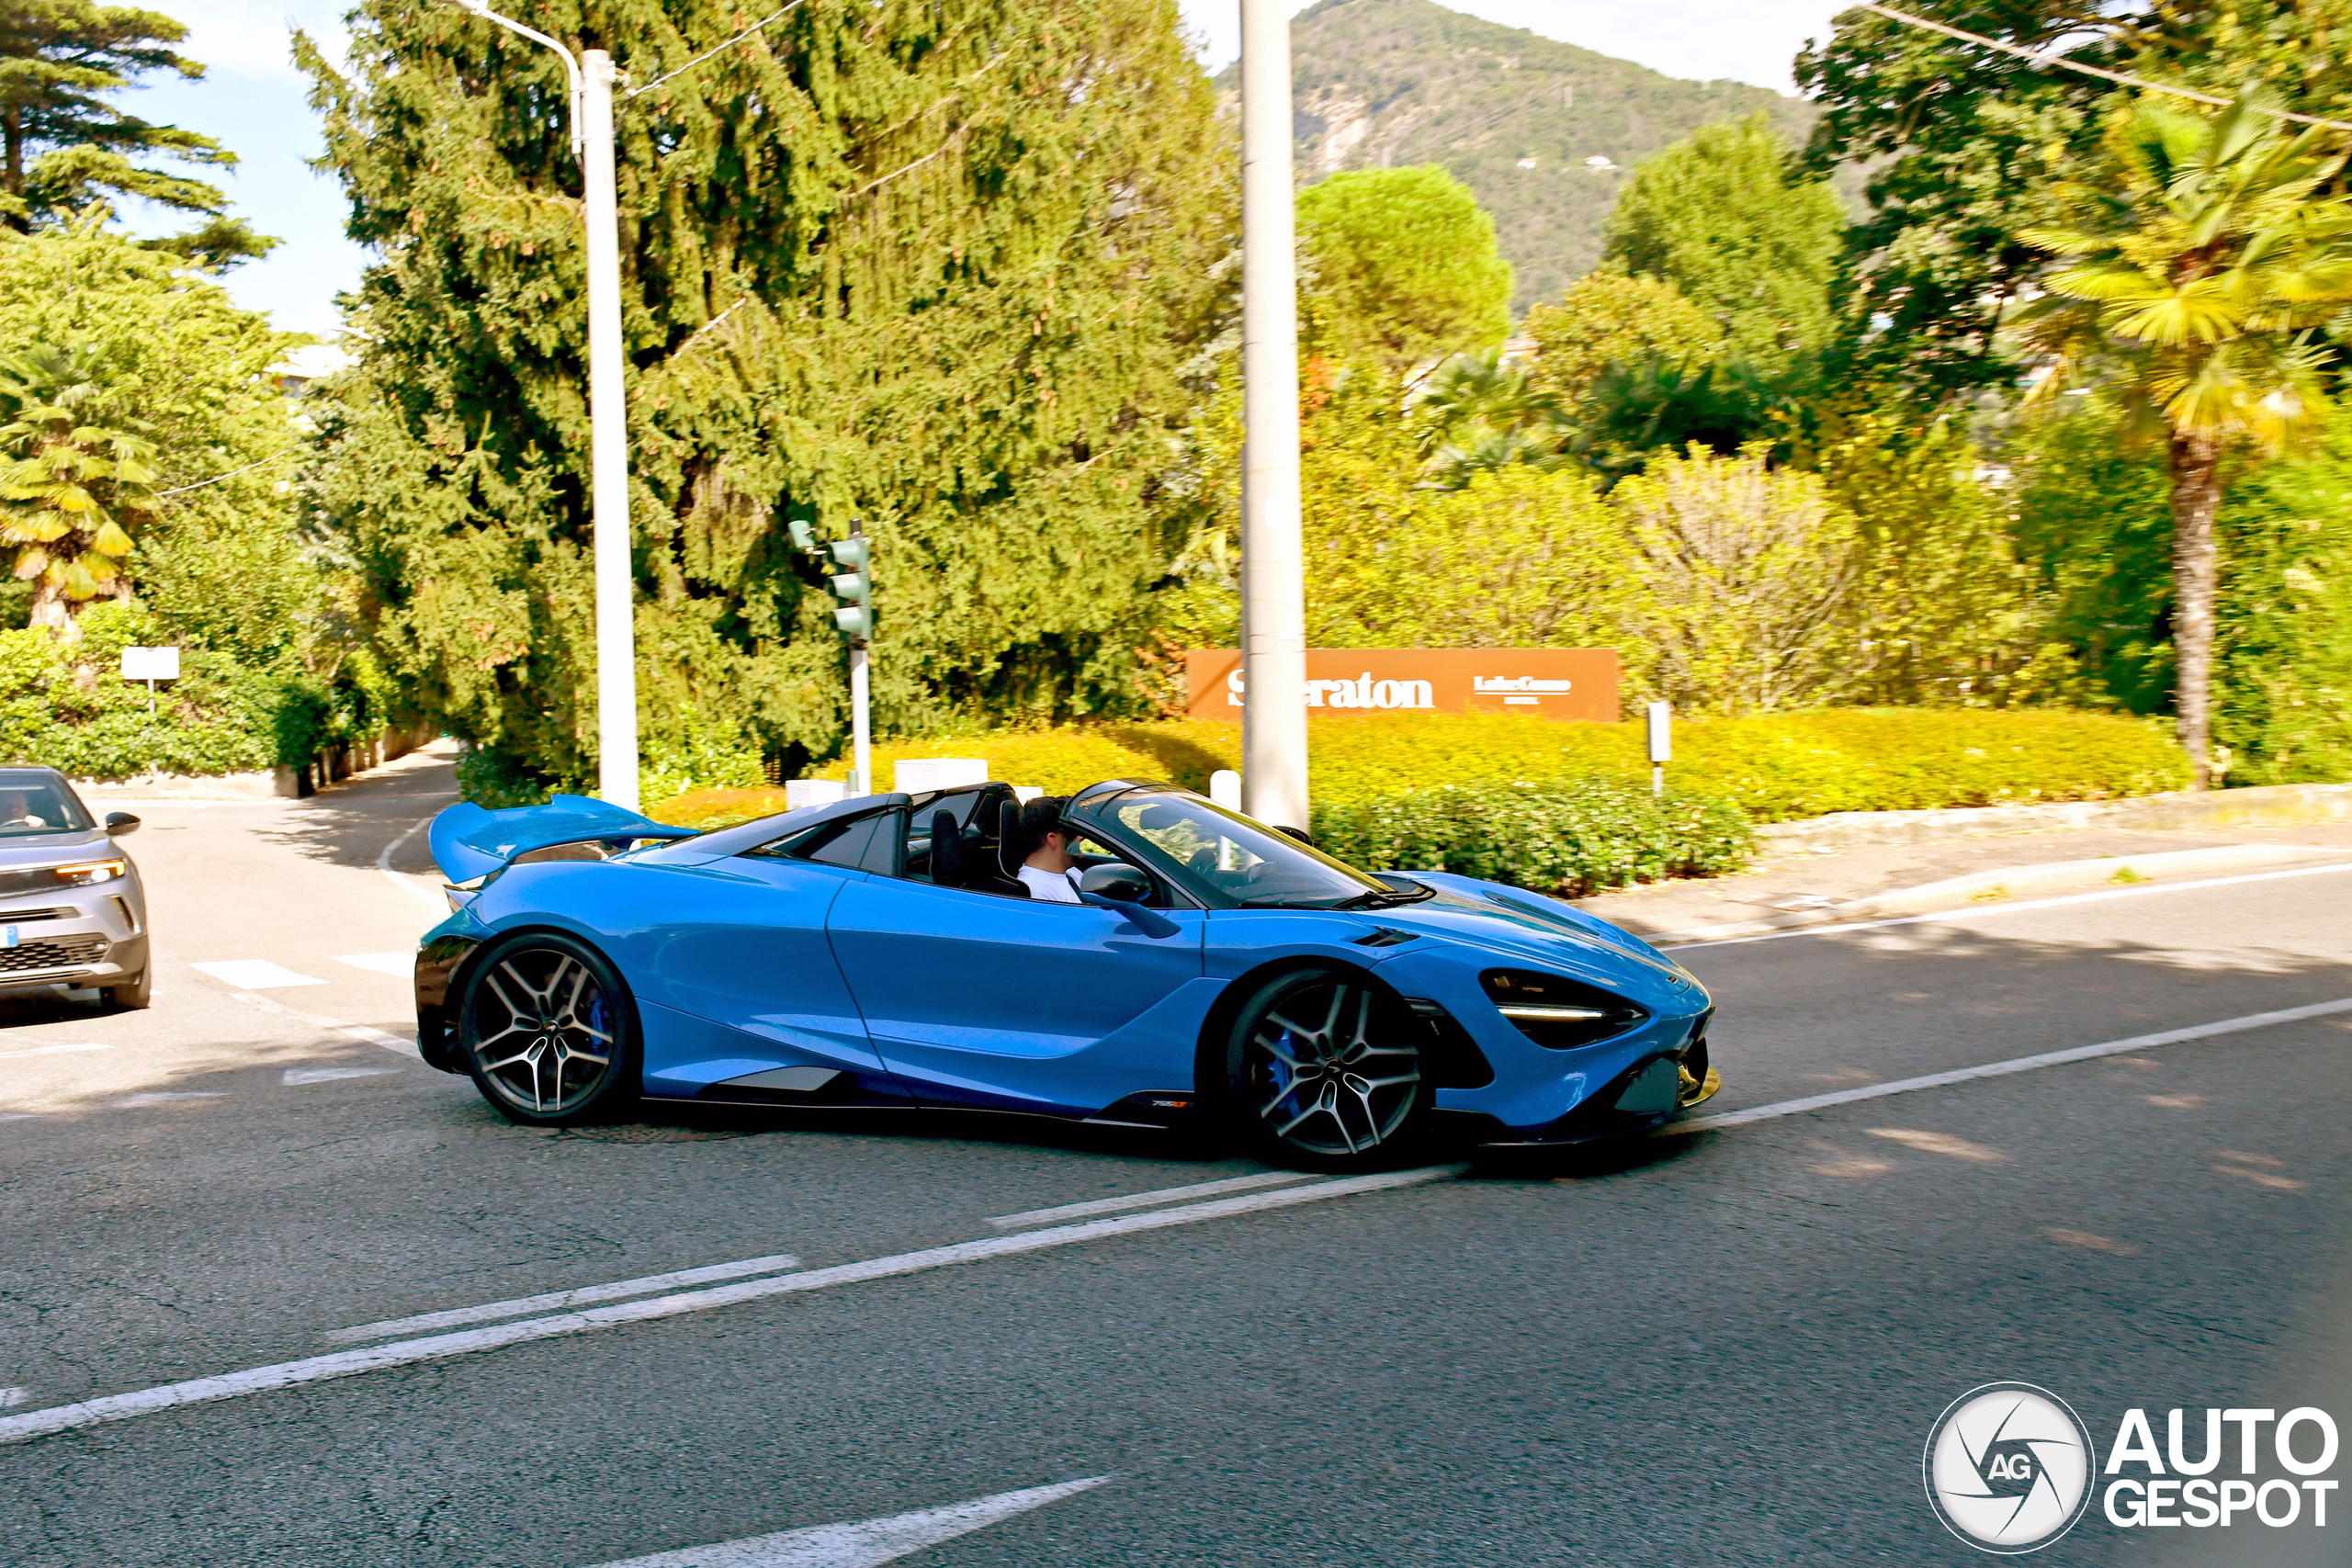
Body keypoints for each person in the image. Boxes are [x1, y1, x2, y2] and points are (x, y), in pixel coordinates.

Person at [1015, 795, 1083, 904]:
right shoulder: (1036, 891)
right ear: (1052, 839)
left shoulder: (1071, 872)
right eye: (1073, 831)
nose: (1081, 836)